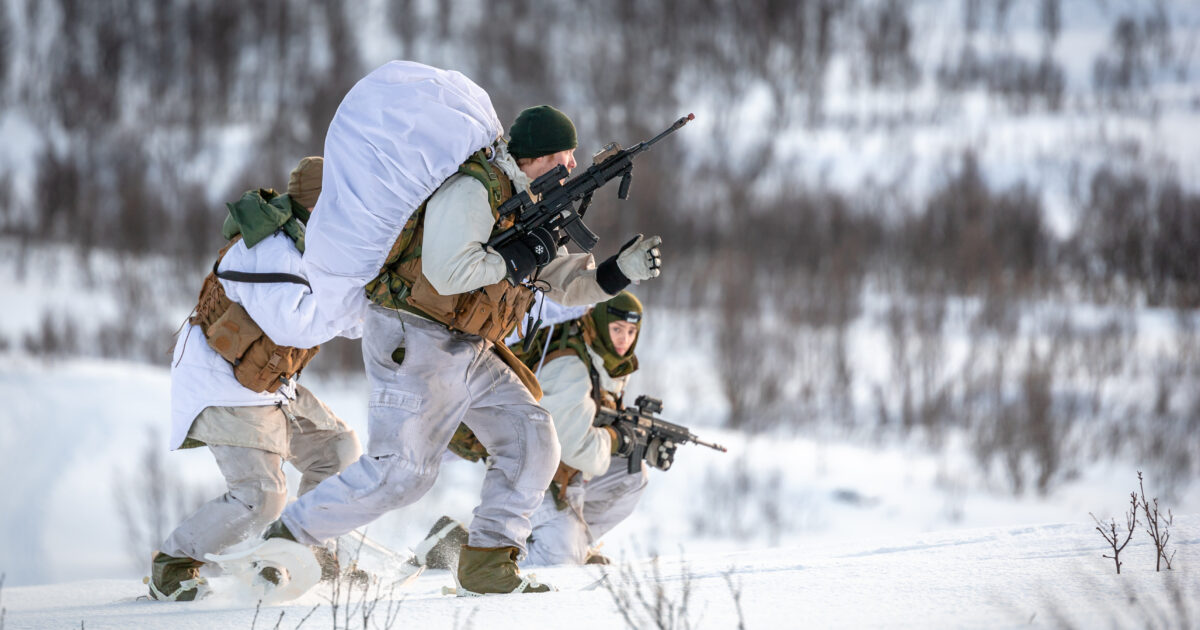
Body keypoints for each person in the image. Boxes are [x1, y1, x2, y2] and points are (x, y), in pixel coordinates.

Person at [268, 105, 664, 595]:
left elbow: (562, 284)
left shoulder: (531, 198)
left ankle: (489, 561)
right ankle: (287, 537)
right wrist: (519, 256)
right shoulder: (474, 189)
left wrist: (619, 272)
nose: (571, 164)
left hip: (471, 342)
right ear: (540, 155)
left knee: (533, 438)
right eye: (565, 155)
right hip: (414, 333)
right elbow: (447, 271)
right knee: (402, 472)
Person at [149, 157, 363, 601]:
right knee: (262, 496)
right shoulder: (266, 250)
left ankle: (307, 549)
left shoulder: (310, 246)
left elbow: (346, 321)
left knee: (336, 449)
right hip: (222, 385)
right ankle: (174, 564)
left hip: (268, 383)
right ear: (320, 208)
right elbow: (295, 326)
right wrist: (357, 303)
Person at [521, 291, 649, 566]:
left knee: (632, 473)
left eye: (631, 331)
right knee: (559, 566)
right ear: (601, 323)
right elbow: (574, 446)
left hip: (565, 473)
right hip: (534, 475)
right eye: (616, 329)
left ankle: (572, 540)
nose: (624, 339)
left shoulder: (603, 359)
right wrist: (617, 439)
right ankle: (463, 548)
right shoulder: (571, 364)